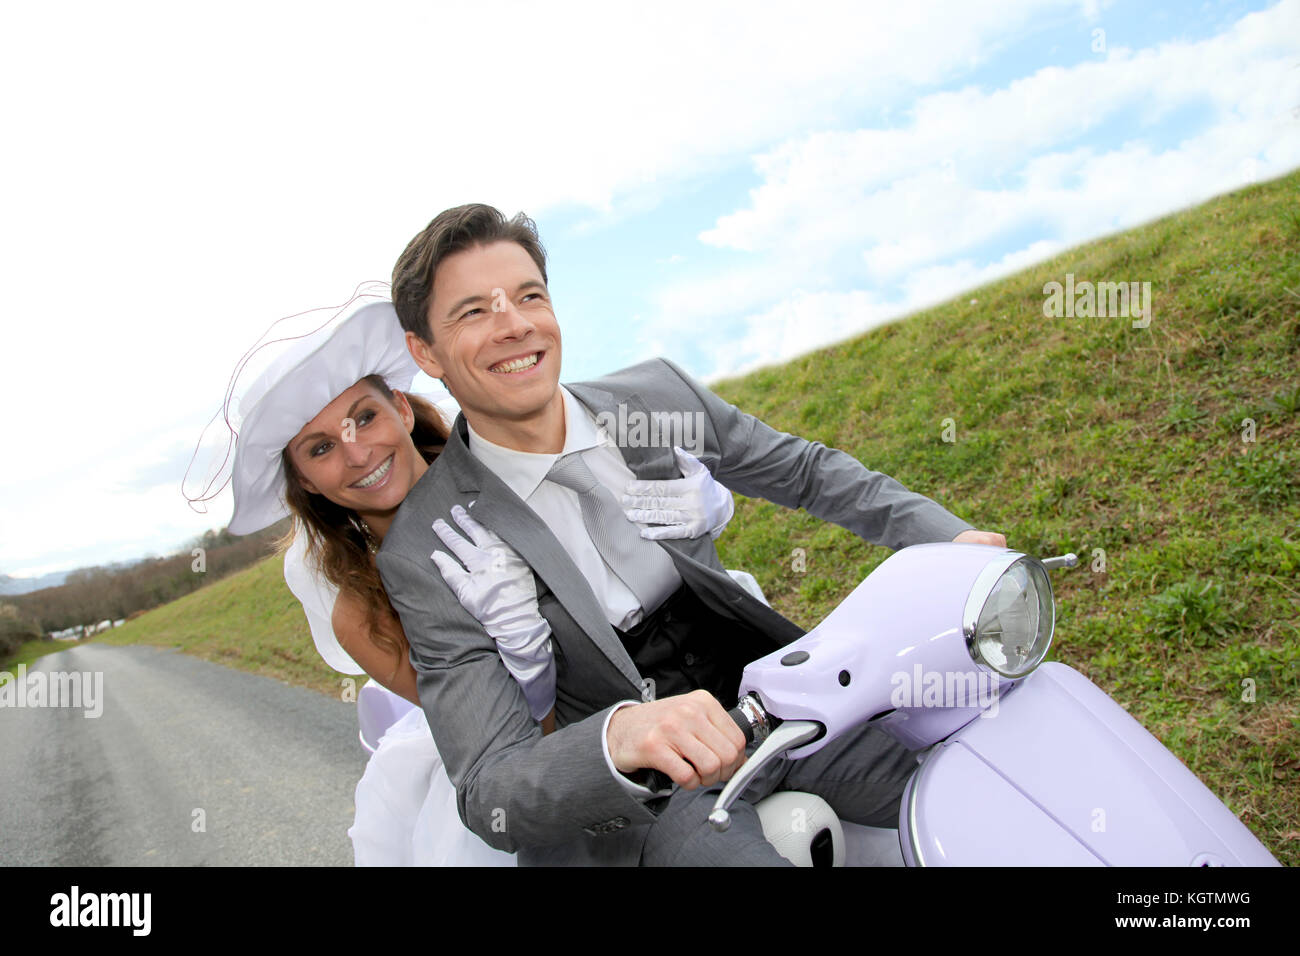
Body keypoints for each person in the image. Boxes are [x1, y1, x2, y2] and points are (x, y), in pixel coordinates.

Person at [377, 203, 1008, 866]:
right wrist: (617, 738)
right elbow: (489, 787)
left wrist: (949, 544)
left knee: (985, 811)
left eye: (529, 295)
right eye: (473, 312)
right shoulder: (428, 545)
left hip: (786, 703)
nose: (514, 325)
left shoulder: (654, 397)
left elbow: (807, 473)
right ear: (426, 351)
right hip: (656, 799)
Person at [199, 293, 737, 865]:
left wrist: (691, 528)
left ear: (402, 411)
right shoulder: (360, 612)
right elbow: (519, 749)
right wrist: (527, 662)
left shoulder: (504, 462)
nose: (357, 454)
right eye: (322, 447)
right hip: (546, 753)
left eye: (365, 416)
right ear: (304, 480)